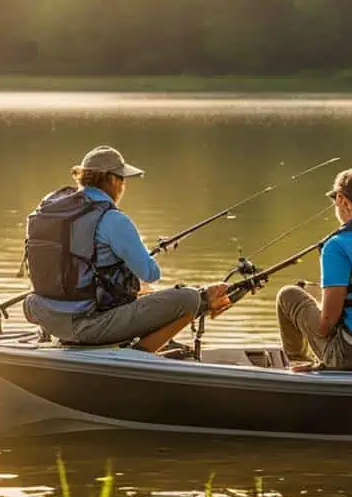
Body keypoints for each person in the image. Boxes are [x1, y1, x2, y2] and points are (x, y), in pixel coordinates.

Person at [22, 145, 229, 353]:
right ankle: (135, 356)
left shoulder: (53, 210)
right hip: (86, 326)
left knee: (137, 292)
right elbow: (151, 273)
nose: (123, 186)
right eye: (122, 179)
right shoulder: (113, 219)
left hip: (44, 316)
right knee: (189, 298)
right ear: (112, 180)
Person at [275, 169, 352, 371]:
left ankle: (299, 362)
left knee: (288, 295)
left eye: (335, 200)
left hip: (347, 356)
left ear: (342, 200)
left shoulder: (336, 246)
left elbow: (325, 326)